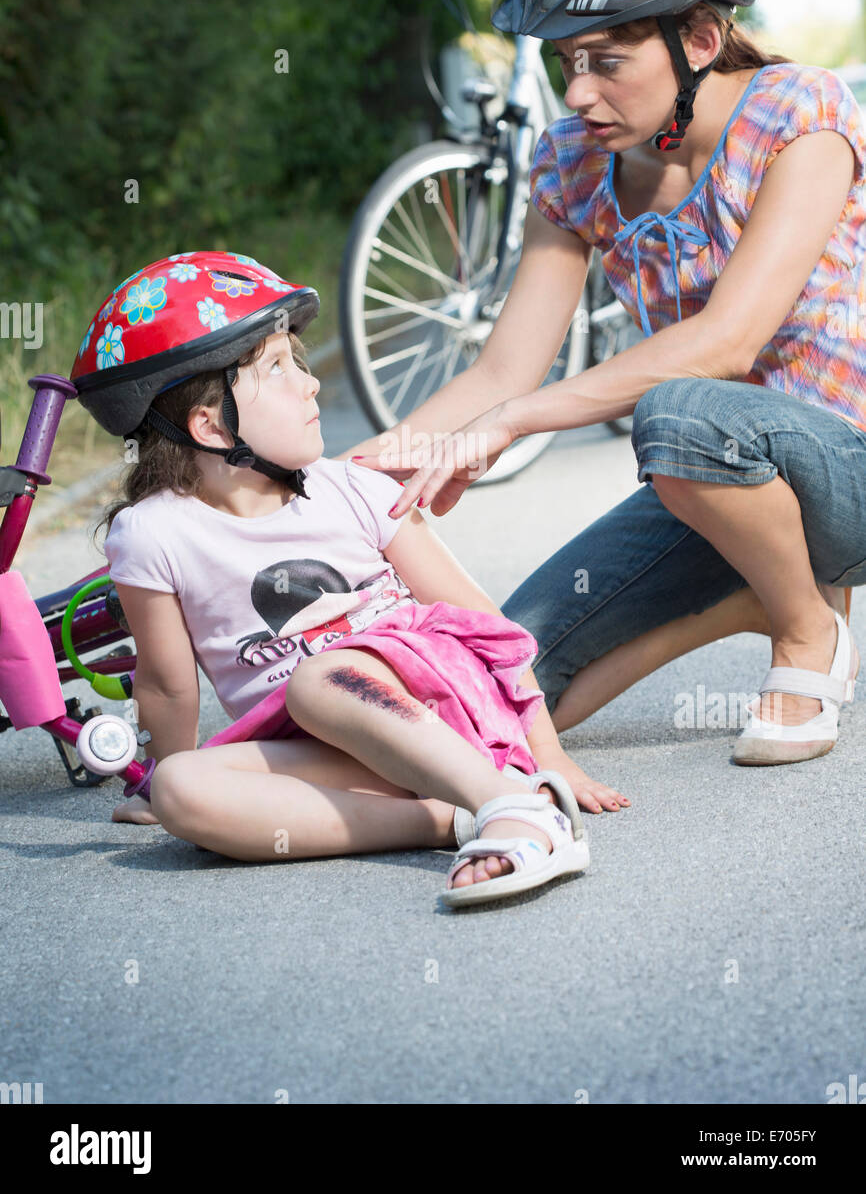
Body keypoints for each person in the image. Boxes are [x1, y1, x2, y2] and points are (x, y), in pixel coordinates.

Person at [348, 0, 866, 767]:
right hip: (713, 483)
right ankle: (755, 593)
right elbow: (502, 372)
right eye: (566, 63)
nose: (579, 93)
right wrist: (325, 481)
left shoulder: (800, 117)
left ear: (700, 39)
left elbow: (725, 342)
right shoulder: (574, 166)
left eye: (607, 61)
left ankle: (804, 631)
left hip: (841, 465)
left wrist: (505, 427)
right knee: (505, 680)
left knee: (676, 410)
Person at [71, 250, 630, 909]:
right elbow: (166, 686)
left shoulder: (352, 489)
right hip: (337, 753)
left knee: (320, 678)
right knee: (180, 790)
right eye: (277, 368)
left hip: (441, 713)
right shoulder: (151, 533)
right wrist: (156, 777)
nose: (309, 386)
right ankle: (461, 819)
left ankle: (511, 800)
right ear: (211, 424)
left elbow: (484, 626)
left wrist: (549, 753)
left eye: (298, 363)